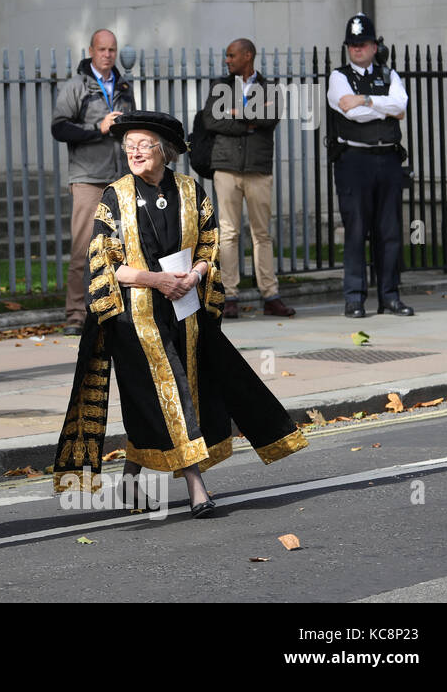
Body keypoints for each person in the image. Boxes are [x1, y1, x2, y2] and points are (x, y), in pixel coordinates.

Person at [52, 111, 307, 517]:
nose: (133, 153)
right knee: (171, 393)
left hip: (184, 310)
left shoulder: (191, 191)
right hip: (135, 317)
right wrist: (155, 280)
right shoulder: (114, 196)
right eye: (129, 147)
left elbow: (209, 245)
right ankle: (197, 488)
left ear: (165, 152)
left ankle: (132, 479)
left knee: (156, 401)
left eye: (142, 146)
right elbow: (104, 264)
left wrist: (196, 274)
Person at [326, 13, 412, 318]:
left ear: (375, 46)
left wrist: (366, 100)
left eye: (362, 44)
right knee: (356, 229)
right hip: (354, 160)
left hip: (387, 158)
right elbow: (349, 112)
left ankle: (390, 296)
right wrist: (380, 105)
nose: (356, 50)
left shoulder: (390, 75)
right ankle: (354, 298)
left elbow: (400, 107)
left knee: (389, 231)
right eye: (351, 45)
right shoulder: (338, 77)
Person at [51, 29, 135, 336]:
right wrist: (97, 129)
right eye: (102, 49)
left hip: (120, 176)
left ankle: (115, 306)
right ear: (91, 51)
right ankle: (75, 314)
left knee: (122, 246)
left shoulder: (124, 86)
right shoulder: (77, 86)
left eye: (112, 50)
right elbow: (59, 128)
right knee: (84, 248)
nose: (108, 55)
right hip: (87, 177)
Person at [205, 38, 293, 318]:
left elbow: (270, 118)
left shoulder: (270, 88)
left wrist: (235, 113)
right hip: (227, 168)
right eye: (227, 55)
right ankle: (229, 295)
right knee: (228, 233)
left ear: (248, 55)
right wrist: (249, 122)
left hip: (257, 169)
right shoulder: (220, 86)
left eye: (232, 55)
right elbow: (211, 120)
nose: (227, 60)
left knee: (262, 234)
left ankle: (270, 295)